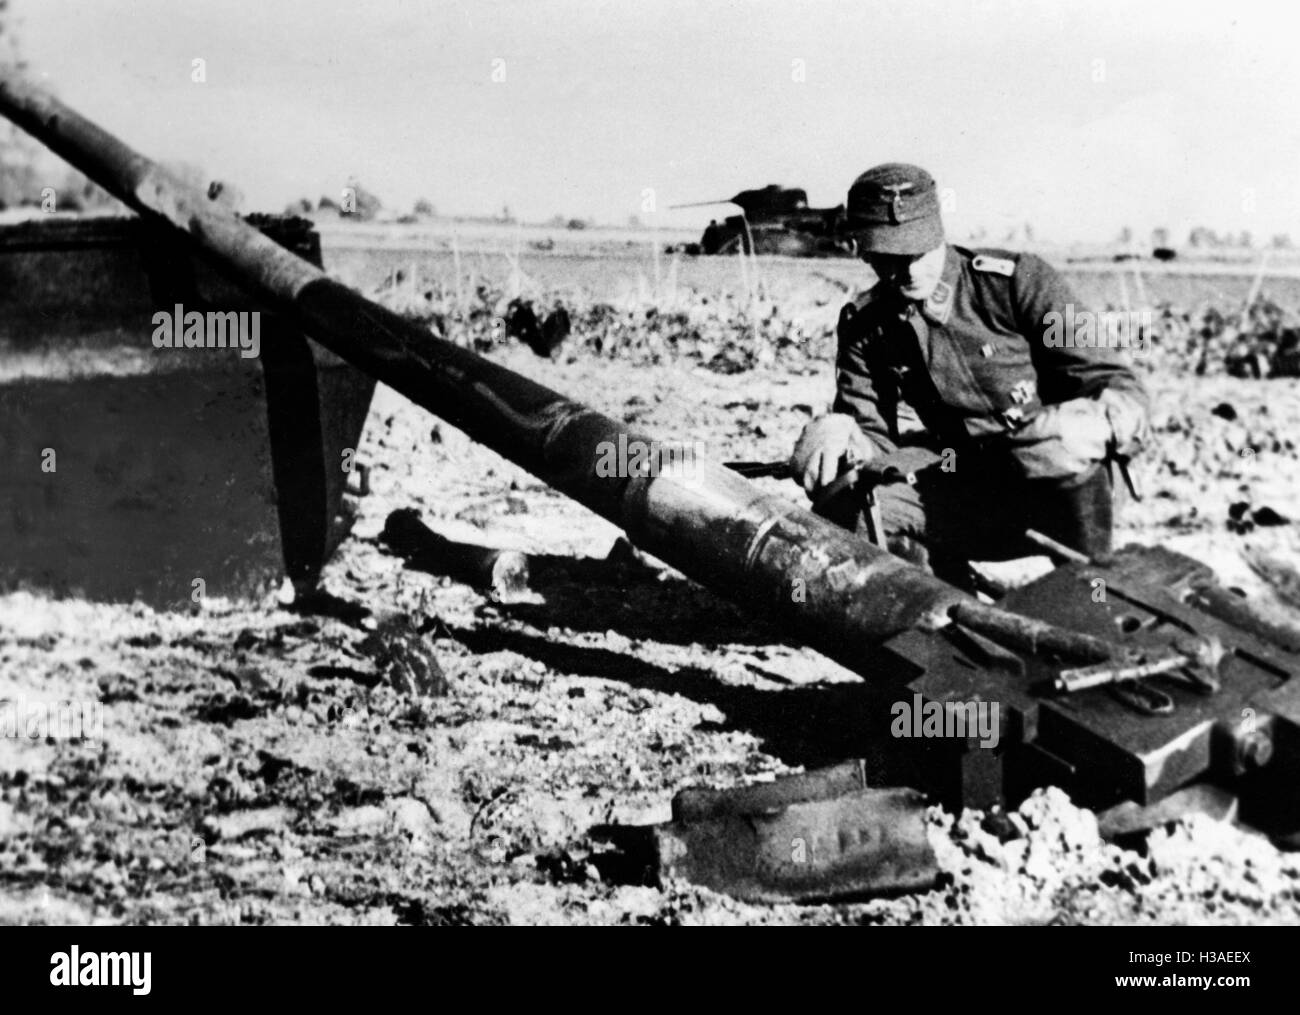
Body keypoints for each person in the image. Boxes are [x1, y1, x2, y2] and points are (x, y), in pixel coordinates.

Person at [789, 163, 1149, 576]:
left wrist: (1094, 423)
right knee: (846, 502)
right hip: (967, 487)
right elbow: (876, 439)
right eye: (889, 257)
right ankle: (937, 611)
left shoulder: (1019, 284)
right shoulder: (867, 325)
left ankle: (1096, 587)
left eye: (917, 252)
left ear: (939, 234)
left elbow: (1114, 381)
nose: (906, 270)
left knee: (1058, 445)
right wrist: (845, 440)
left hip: (1060, 490)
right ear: (862, 250)